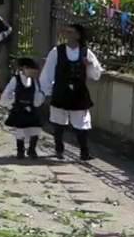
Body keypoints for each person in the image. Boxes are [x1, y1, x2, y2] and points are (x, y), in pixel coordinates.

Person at [40, 23, 103, 161]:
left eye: (71, 32)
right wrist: (46, 90)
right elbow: (48, 72)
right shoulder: (57, 51)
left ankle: (84, 152)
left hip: (79, 92)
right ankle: (59, 149)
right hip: (61, 91)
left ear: (78, 35)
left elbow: (95, 74)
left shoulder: (86, 52)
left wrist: (89, 65)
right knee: (59, 122)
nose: (68, 35)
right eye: (66, 32)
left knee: (82, 122)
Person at [0, 57, 45, 160]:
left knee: (36, 128)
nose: (34, 72)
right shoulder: (16, 79)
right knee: (20, 130)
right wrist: (11, 103)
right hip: (19, 109)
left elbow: (38, 95)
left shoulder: (34, 81)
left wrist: (37, 102)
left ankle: (32, 149)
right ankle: (20, 150)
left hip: (31, 109)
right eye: (32, 70)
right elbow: (6, 94)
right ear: (24, 68)